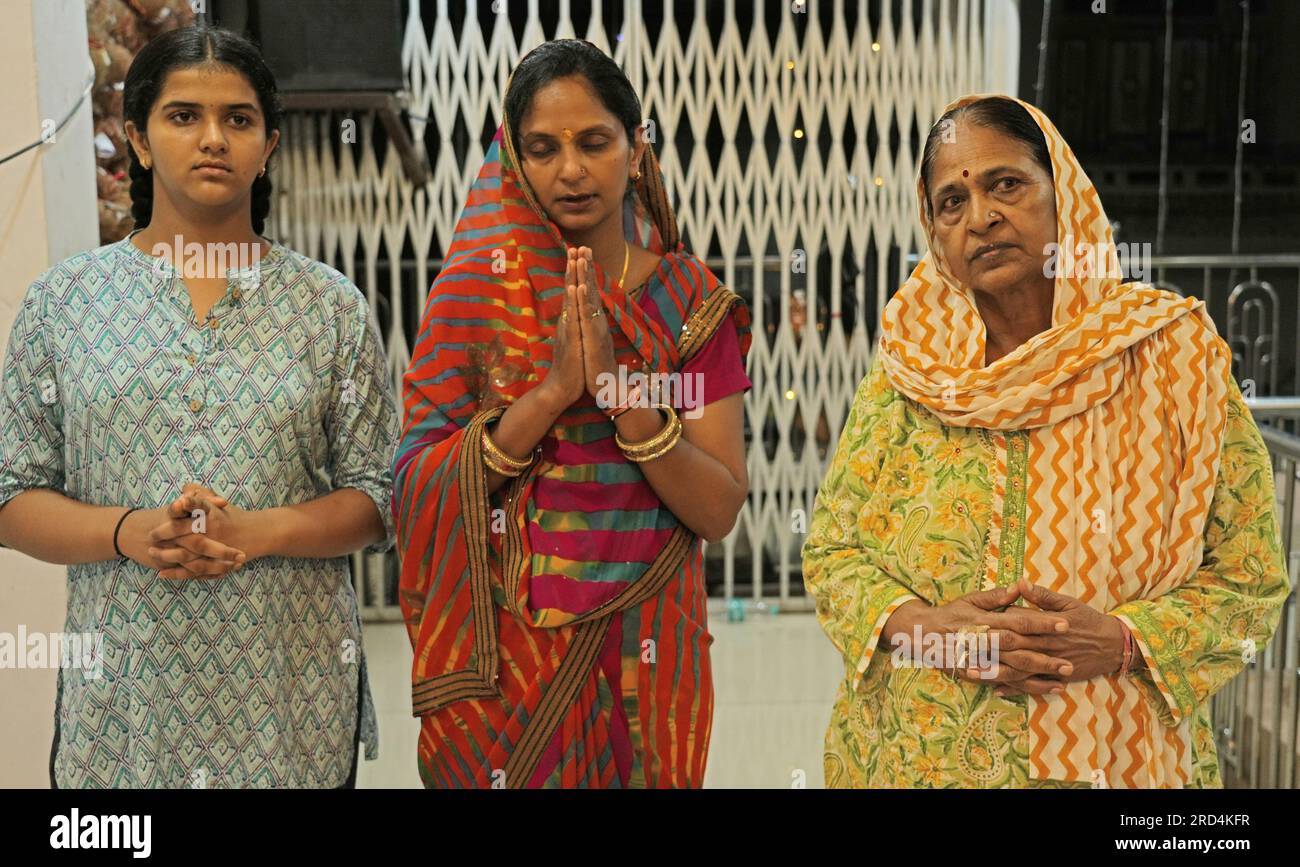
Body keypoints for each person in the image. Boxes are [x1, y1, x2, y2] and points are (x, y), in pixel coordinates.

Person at [802, 94, 1290, 788]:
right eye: (951, 202)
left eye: (1006, 183)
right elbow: (831, 552)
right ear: (936, 236)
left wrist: (1124, 643)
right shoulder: (912, 373)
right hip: (917, 758)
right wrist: (927, 628)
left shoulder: (1172, 356)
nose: (981, 216)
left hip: (1123, 763)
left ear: (1064, 193)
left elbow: (1251, 581)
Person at [0, 25, 399, 788]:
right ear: (139, 141)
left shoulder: (330, 308)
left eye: (238, 119)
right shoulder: (63, 304)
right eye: (183, 116)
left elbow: (381, 500)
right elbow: (11, 493)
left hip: (291, 703)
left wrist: (257, 530)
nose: (213, 138)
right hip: (122, 712)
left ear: (268, 145)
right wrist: (130, 533)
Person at [394, 39, 752, 788]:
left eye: (595, 142)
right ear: (514, 163)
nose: (571, 170)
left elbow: (718, 508)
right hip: (505, 662)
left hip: (647, 647)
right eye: (542, 148)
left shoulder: (691, 301)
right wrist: (554, 391)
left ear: (636, 147)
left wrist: (623, 397)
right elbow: (415, 485)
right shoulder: (471, 297)